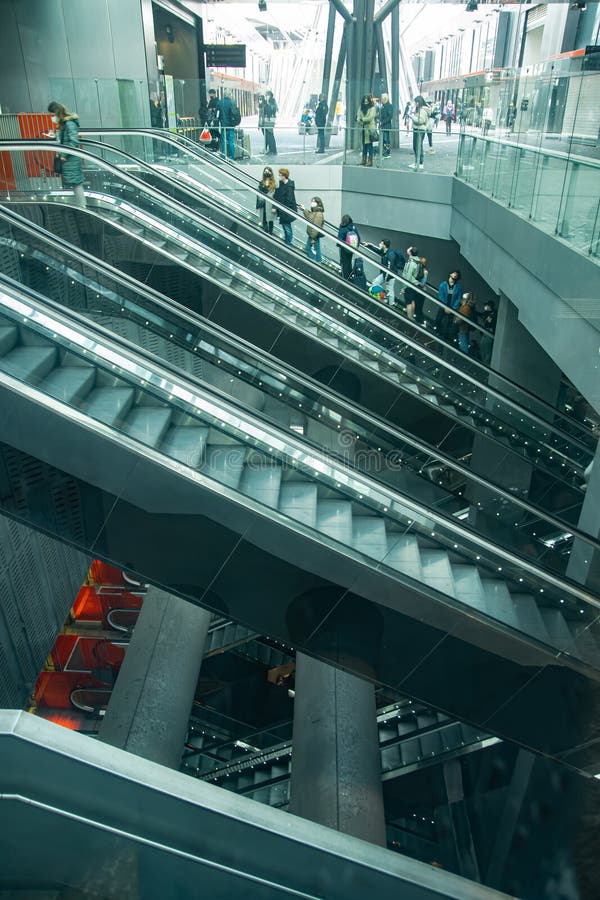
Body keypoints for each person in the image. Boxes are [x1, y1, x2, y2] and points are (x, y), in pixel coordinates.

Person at [46, 101, 85, 208]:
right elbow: (65, 138)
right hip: (68, 159)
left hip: (71, 159)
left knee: (76, 183)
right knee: (73, 183)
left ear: (56, 113)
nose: (52, 118)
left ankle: (82, 206)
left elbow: (73, 141)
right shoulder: (64, 122)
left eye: (52, 115)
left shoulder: (69, 123)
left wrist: (64, 155)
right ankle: (78, 205)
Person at [435, 270, 463, 341]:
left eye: (456, 275)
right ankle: (437, 332)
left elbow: (458, 298)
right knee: (438, 320)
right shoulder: (443, 284)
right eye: (454, 274)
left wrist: (453, 308)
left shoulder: (458, 287)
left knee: (449, 323)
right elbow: (440, 296)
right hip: (443, 306)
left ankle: (446, 337)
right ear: (450, 274)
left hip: (452, 308)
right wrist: (445, 307)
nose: (454, 276)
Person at [273, 167, 296, 245]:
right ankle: (287, 242)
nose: (279, 175)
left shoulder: (289, 186)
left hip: (287, 210)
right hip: (283, 210)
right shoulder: (282, 184)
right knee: (285, 227)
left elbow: (290, 199)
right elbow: (277, 196)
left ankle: (288, 243)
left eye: (280, 174)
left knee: (287, 227)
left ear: (284, 175)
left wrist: (284, 209)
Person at [402, 247, 425, 320]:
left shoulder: (411, 262)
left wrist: (404, 287)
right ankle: (411, 317)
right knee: (412, 301)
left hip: (410, 284)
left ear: (410, 253)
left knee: (409, 302)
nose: (408, 249)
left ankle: (409, 317)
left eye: (409, 249)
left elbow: (408, 276)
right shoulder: (417, 261)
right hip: (415, 285)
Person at [301, 196, 325, 262]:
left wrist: (313, 238)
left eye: (314, 202)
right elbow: (309, 217)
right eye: (312, 201)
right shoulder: (314, 212)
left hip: (314, 235)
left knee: (308, 248)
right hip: (312, 234)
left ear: (318, 203)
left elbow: (316, 227)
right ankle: (317, 261)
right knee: (316, 248)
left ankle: (316, 261)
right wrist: (304, 209)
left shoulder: (318, 214)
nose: (312, 203)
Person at [338, 214, 360, 279]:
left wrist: (339, 245)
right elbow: (358, 237)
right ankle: (350, 276)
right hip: (352, 248)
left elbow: (340, 239)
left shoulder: (343, 229)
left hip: (344, 249)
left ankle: (345, 277)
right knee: (349, 262)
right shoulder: (353, 227)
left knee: (344, 263)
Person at [409, 95, 429, 171]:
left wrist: (412, 117)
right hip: (418, 129)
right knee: (416, 146)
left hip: (420, 130)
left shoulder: (422, 111)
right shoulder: (420, 109)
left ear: (418, 102)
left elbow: (420, 120)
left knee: (418, 146)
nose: (415, 103)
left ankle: (420, 163)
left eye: (416, 102)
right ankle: (417, 162)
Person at [356, 94, 376, 166]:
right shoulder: (361, 108)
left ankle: (370, 161)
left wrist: (363, 119)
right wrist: (359, 120)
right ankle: (363, 160)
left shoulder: (372, 108)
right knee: (364, 145)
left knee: (370, 145)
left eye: (367, 101)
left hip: (370, 129)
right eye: (365, 101)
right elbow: (358, 116)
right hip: (363, 128)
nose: (366, 103)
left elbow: (370, 117)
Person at [256, 165, 277, 234]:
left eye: (268, 171)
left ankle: (270, 233)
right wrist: (258, 205)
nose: (266, 173)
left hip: (270, 204)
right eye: (265, 171)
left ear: (271, 173)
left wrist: (274, 207)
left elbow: (276, 197)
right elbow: (258, 194)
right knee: (263, 219)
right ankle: (265, 233)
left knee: (270, 220)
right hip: (263, 204)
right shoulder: (261, 182)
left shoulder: (274, 183)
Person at [217, 90, 236, 160]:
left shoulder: (219, 102)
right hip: (231, 125)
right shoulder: (232, 102)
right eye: (231, 94)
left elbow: (217, 114)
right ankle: (232, 157)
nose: (231, 96)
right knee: (231, 141)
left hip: (223, 125)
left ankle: (223, 156)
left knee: (223, 141)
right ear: (229, 95)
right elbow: (235, 114)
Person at [379, 93, 393, 158]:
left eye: (382, 98)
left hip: (386, 125)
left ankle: (387, 152)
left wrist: (382, 122)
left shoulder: (389, 106)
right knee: (383, 140)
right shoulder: (383, 106)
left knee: (386, 139)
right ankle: (384, 152)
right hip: (383, 125)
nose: (381, 99)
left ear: (385, 99)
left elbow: (389, 116)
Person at [264, 90, 278, 155]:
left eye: (267, 95)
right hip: (269, 120)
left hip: (269, 120)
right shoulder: (270, 102)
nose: (266, 97)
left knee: (270, 135)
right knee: (269, 135)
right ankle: (271, 149)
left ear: (269, 96)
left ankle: (273, 150)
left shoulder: (271, 103)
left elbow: (270, 111)